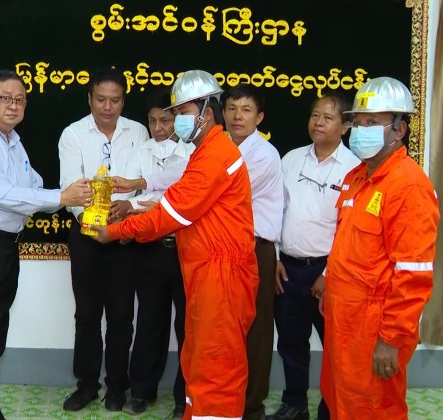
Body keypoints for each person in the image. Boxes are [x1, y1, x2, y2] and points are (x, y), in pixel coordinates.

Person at [87, 69, 259, 419]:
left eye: (182, 113)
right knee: (199, 362)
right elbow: (174, 203)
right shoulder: (204, 152)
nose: (175, 120)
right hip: (204, 272)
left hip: (221, 278)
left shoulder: (215, 156)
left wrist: (116, 231)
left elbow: (171, 214)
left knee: (216, 371)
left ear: (206, 113)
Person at [0, 70, 92, 419]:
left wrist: (65, 194)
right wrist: (62, 195)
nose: (14, 105)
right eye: (6, 98)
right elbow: (1, 193)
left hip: (3, 247)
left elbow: (32, 183)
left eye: (20, 99)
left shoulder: (12, 140)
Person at [319, 76, 439, 419]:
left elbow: (414, 274)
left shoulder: (409, 186)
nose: (361, 130)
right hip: (344, 322)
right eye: (357, 122)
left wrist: (392, 339)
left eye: (372, 123)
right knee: (341, 402)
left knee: (373, 408)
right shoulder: (356, 178)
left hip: (375, 329)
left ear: (398, 130)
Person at [58, 66, 149, 412]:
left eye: (114, 100)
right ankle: (86, 384)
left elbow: (145, 183)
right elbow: (73, 188)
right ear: (90, 98)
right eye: (101, 99)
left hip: (125, 236)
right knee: (87, 315)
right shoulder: (73, 134)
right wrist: (97, 223)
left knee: (122, 315)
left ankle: (117, 387)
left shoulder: (139, 133)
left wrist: (127, 215)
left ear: (123, 100)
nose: (107, 107)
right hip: (86, 236)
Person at [266, 92, 360, 420]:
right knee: (292, 344)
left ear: (346, 125)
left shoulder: (355, 168)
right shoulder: (290, 159)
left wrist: (330, 274)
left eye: (328, 117)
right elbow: (274, 210)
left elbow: (351, 230)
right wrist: (275, 257)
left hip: (329, 271)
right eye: (315, 115)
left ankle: (331, 408)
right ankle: (295, 404)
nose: (318, 123)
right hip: (288, 268)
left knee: (336, 349)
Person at [119, 89, 192, 418]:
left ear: (179, 118)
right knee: (149, 321)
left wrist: (150, 204)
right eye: (152, 120)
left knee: (188, 327)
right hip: (149, 248)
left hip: (184, 248)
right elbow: (131, 198)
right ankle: (141, 391)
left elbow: (184, 198)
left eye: (165, 119)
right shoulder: (140, 149)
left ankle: (183, 397)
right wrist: (145, 205)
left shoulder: (193, 151)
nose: (159, 127)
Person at [221, 84, 284, 420]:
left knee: (256, 329)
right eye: (231, 108)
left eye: (245, 110)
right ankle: (230, 399)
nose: (237, 116)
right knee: (229, 327)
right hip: (226, 250)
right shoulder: (221, 148)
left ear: (259, 117)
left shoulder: (264, 154)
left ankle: (252, 406)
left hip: (255, 249)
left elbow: (222, 191)